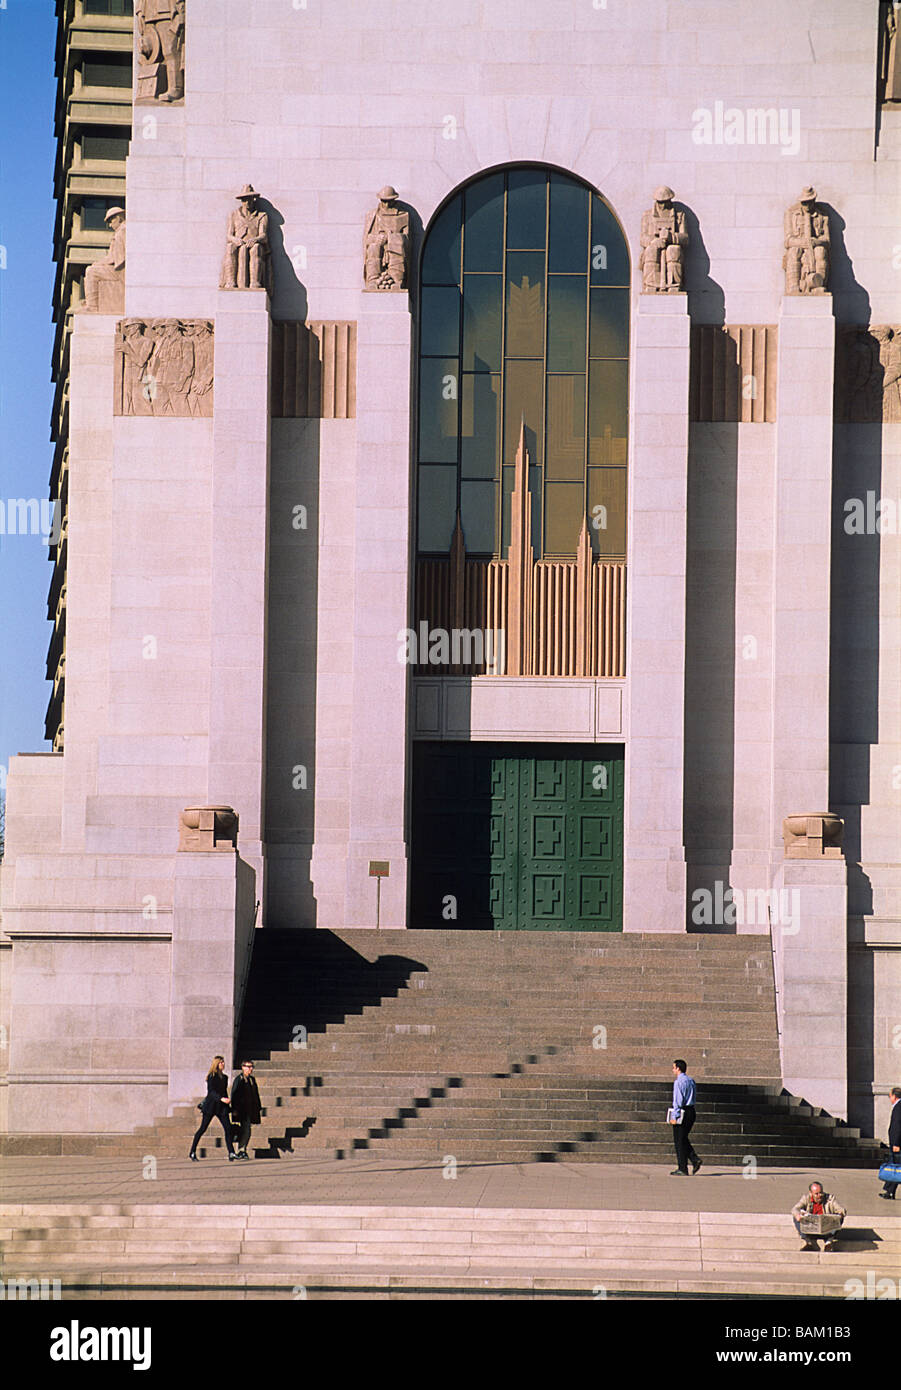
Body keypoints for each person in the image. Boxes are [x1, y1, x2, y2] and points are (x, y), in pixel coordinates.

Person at [189, 1055, 236, 1161]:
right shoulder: (211, 1076)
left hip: (222, 1107)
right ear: (216, 1064)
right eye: (221, 1062)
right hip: (211, 1106)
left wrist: (227, 1103)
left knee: (228, 1128)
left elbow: (224, 1091)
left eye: (223, 1062)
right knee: (203, 1128)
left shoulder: (225, 1077)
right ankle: (192, 1151)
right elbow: (211, 1092)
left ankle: (231, 1152)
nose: (223, 1064)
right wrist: (221, 1099)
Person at [80, 207, 126, 313]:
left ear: (118, 218)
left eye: (111, 221)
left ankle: (92, 307)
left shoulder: (123, 231)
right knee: (92, 269)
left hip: (122, 271)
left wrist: (99, 264)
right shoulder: (121, 232)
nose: (110, 225)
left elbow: (116, 257)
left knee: (91, 272)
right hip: (119, 268)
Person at [669, 1059, 701, 1176]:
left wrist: (675, 1116)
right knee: (683, 1138)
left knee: (679, 1140)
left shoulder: (678, 1082)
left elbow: (678, 1100)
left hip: (682, 1112)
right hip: (691, 1111)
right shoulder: (691, 1081)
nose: (673, 1070)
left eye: (673, 1067)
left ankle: (683, 1167)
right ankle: (694, 1159)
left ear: (678, 1068)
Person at [791, 1182, 846, 1251]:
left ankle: (828, 1243)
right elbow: (795, 1209)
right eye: (816, 1194)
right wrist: (797, 1215)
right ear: (811, 1193)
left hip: (826, 1230)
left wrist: (839, 1215)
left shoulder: (830, 1198)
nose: (819, 1195)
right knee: (795, 1217)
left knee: (839, 1218)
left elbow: (842, 1210)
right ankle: (809, 1242)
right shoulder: (806, 1198)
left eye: (821, 1193)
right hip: (810, 1230)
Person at [230, 1060, 262, 1161]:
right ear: (243, 1067)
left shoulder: (252, 1080)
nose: (250, 1069)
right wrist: (235, 1110)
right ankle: (241, 1150)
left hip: (250, 1110)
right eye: (248, 1067)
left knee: (247, 1130)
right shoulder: (239, 1079)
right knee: (245, 1130)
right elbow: (234, 1095)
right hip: (242, 1110)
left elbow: (255, 1095)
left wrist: (258, 1107)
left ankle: (242, 1149)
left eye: (252, 1067)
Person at [879, 1085, 901, 1199]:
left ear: (895, 1096)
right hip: (896, 1143)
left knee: (895, 1166)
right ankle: (889, 1191)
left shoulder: (898, 1107)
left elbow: (898, 1126)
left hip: (897, 1144)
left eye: (890, 1096)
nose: (890, 1098)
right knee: (895, 1167)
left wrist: (896, 1143)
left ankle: (889, 1191)